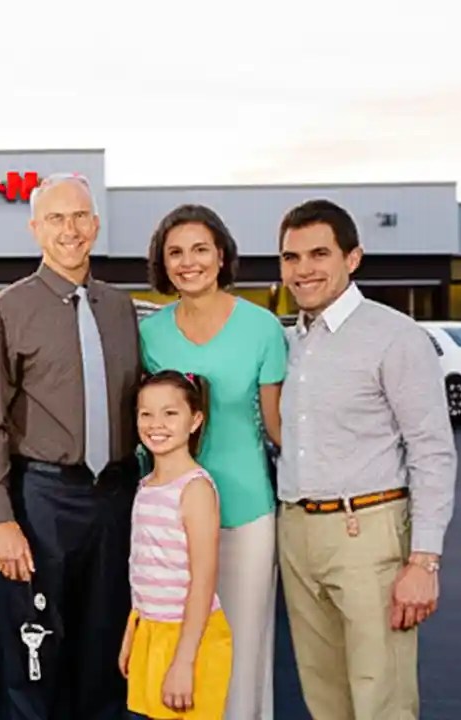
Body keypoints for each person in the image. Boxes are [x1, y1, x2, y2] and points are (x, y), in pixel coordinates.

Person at [0, 172, 144, 719]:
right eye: (56, 219)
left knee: (106, 649)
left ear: (95, 224)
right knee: (35, 650)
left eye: (80, 217)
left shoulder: (120, 309)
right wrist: (0, 520)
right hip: (43, 500)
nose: (70, 230)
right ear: (35, 229)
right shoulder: (8, 310)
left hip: (116, 499)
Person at [276, 198, 456, 720]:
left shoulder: (395, 337)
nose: (303, 270)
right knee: (323, 695)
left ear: (352, 258)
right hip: (297, 530)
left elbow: (432, 449)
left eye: (318, 254)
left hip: (368, 533)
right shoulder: (289, 342)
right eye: (291, 257)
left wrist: (424, 560)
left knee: (382, 698)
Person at [137, 204, 286, 719]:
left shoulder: (263, 328)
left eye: (200, 249)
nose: (188, 262)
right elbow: (148, 425)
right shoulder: (151, 334)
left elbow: (276, 427)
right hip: (171, 518)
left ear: (221, 255)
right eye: (174, 252)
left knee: (243, 649)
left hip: (244, 512)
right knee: (182, 649)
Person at [120, 370, 233, 720]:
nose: (157, 424)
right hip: (149, 633)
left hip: (188, 639)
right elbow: (142, 569)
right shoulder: (145, 486)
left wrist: (184, 661)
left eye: (171, 413)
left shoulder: (195, 489)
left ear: (195, 420)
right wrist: (132, 634)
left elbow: (203, 581)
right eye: (146, 413)